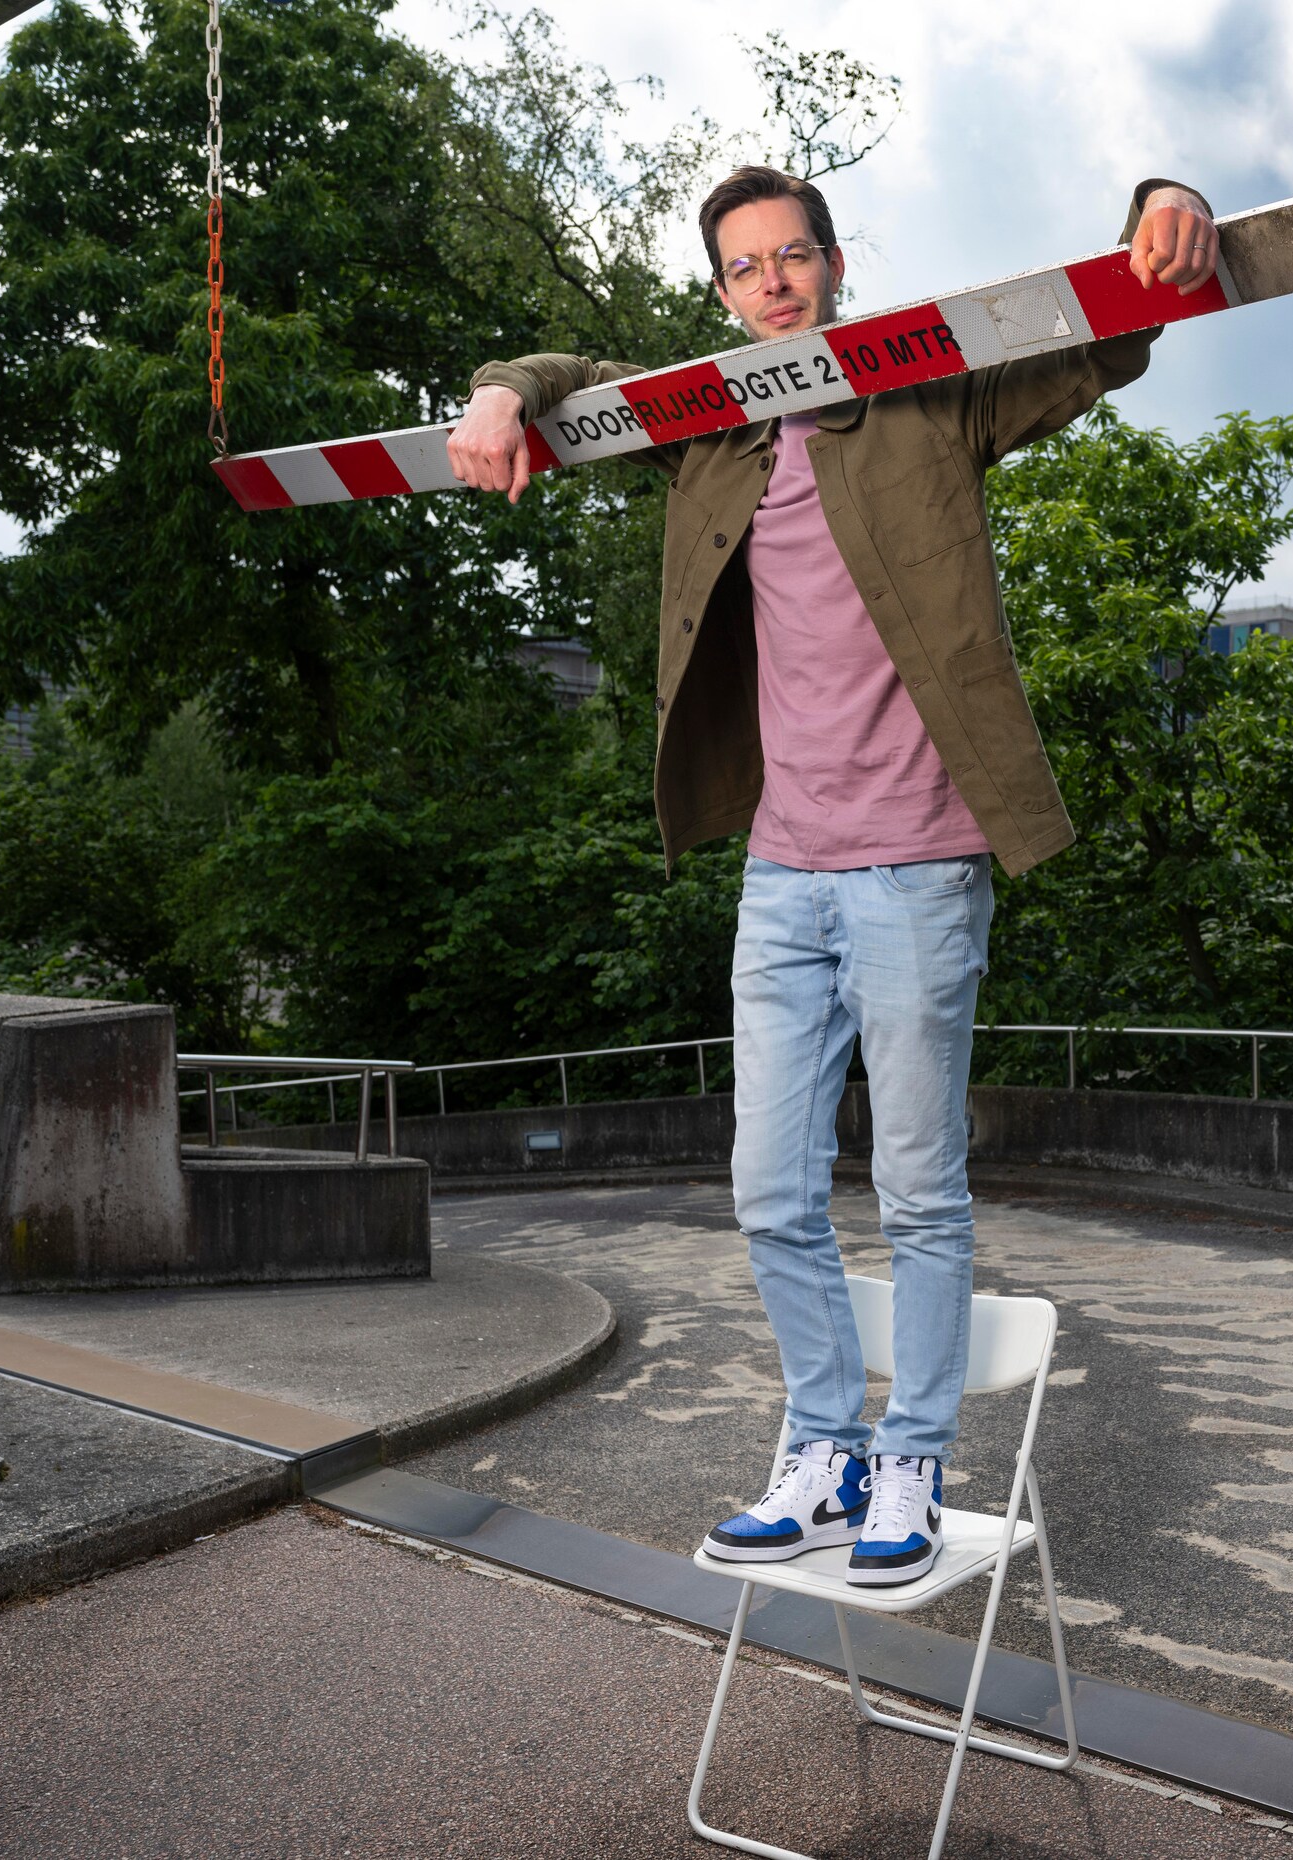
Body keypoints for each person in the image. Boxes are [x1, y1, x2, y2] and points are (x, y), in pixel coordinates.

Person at [449, 164, 1217, 1585]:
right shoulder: (704, 428)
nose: (779, 280)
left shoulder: (929, 385)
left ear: (836, 263)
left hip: (919, 865)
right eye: (750, 267)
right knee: (766, 1188)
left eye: (798, 254)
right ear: (726, 295)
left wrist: (1163, 208)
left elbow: (1104, 332)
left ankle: (913, 1457)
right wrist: (501, 388)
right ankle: (825, 1446)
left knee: (919, 1188)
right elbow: (572, 378)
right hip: (782, 874)